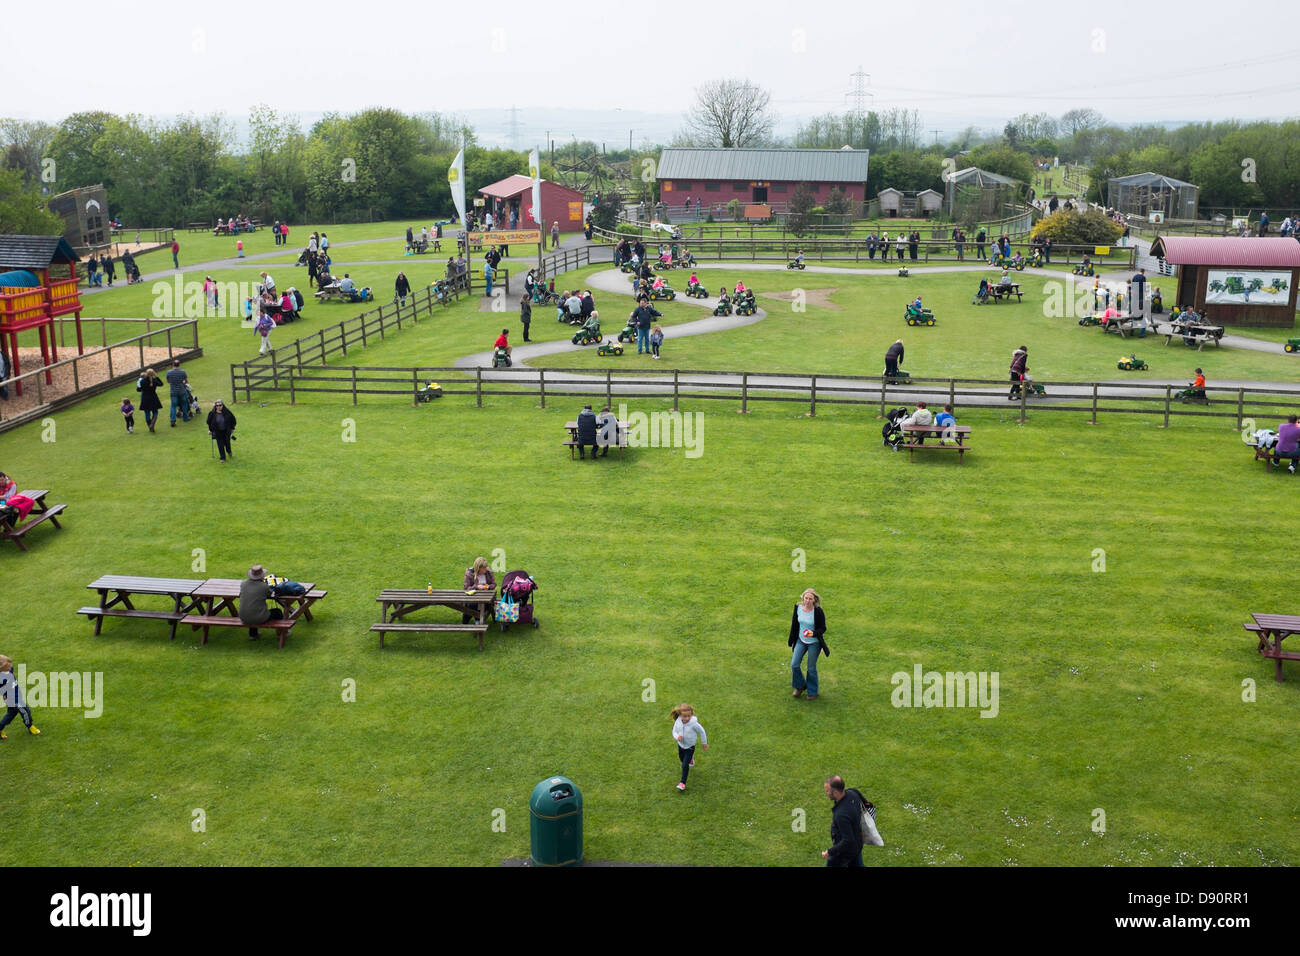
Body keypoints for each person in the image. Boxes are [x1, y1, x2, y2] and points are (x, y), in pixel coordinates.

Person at [789, 588, 828, 700]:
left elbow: (823, 628)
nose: (807, 600)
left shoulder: (818, 611)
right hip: (801, 641)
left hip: (814, 643)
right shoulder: (798, 608)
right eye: (806, 598)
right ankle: (800, 686)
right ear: (803, 597)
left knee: (811, 668)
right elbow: (795, 624)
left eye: (810, 598)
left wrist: (813, 633)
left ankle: (812, 692)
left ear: (814, 600)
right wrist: (791, 640)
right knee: (794, 664)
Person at [821, 775, 865, 867]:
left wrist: (829, 852)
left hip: (844, 853)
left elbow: (848, 840)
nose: (826, 793)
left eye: (828, 791)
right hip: (858, 842)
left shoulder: (841, 815)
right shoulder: (853, 792)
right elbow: (866, 805)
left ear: (836, 793)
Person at [0, 654, 41, 739]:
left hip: (17, 695)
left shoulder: (10, 670)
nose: (10, 666)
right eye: (8, 666)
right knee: (26, 711)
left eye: (10, 664)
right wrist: (4, 695)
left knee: (11, 714)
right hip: (13, 699)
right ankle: (30, 726)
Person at [670, 703, 708, 791]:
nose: (687, 718)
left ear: (691, 715)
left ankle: (682, 783)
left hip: (690, 747)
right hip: (681, 746)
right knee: (681, 759)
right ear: (680, 715)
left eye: (689, 716)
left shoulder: (694, 724)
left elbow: (702, 732)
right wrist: (677, 737)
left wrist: (704, 743)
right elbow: (674, 731)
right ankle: (691, 759)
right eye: (685, 716)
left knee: (684, 765)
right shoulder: (678, 721)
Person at [239, 565, 282, 639]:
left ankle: (253, 635)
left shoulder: (243, 584)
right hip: (259, 618)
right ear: (262, 576)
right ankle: (281, 633)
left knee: (252, 609)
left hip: (243, 617)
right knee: (277, 612)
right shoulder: (264, 586)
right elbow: (270, 594)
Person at [166, 360, 190, 425]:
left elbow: (168, 381)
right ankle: (185, 418)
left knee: (173, 406)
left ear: (173, 364)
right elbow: (186, 381)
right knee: (184, 404)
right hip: (182, 391)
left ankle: (172, 420)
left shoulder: (169, 372)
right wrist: (182, 383)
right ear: (179, 365)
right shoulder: (183, 372)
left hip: (173, 391)